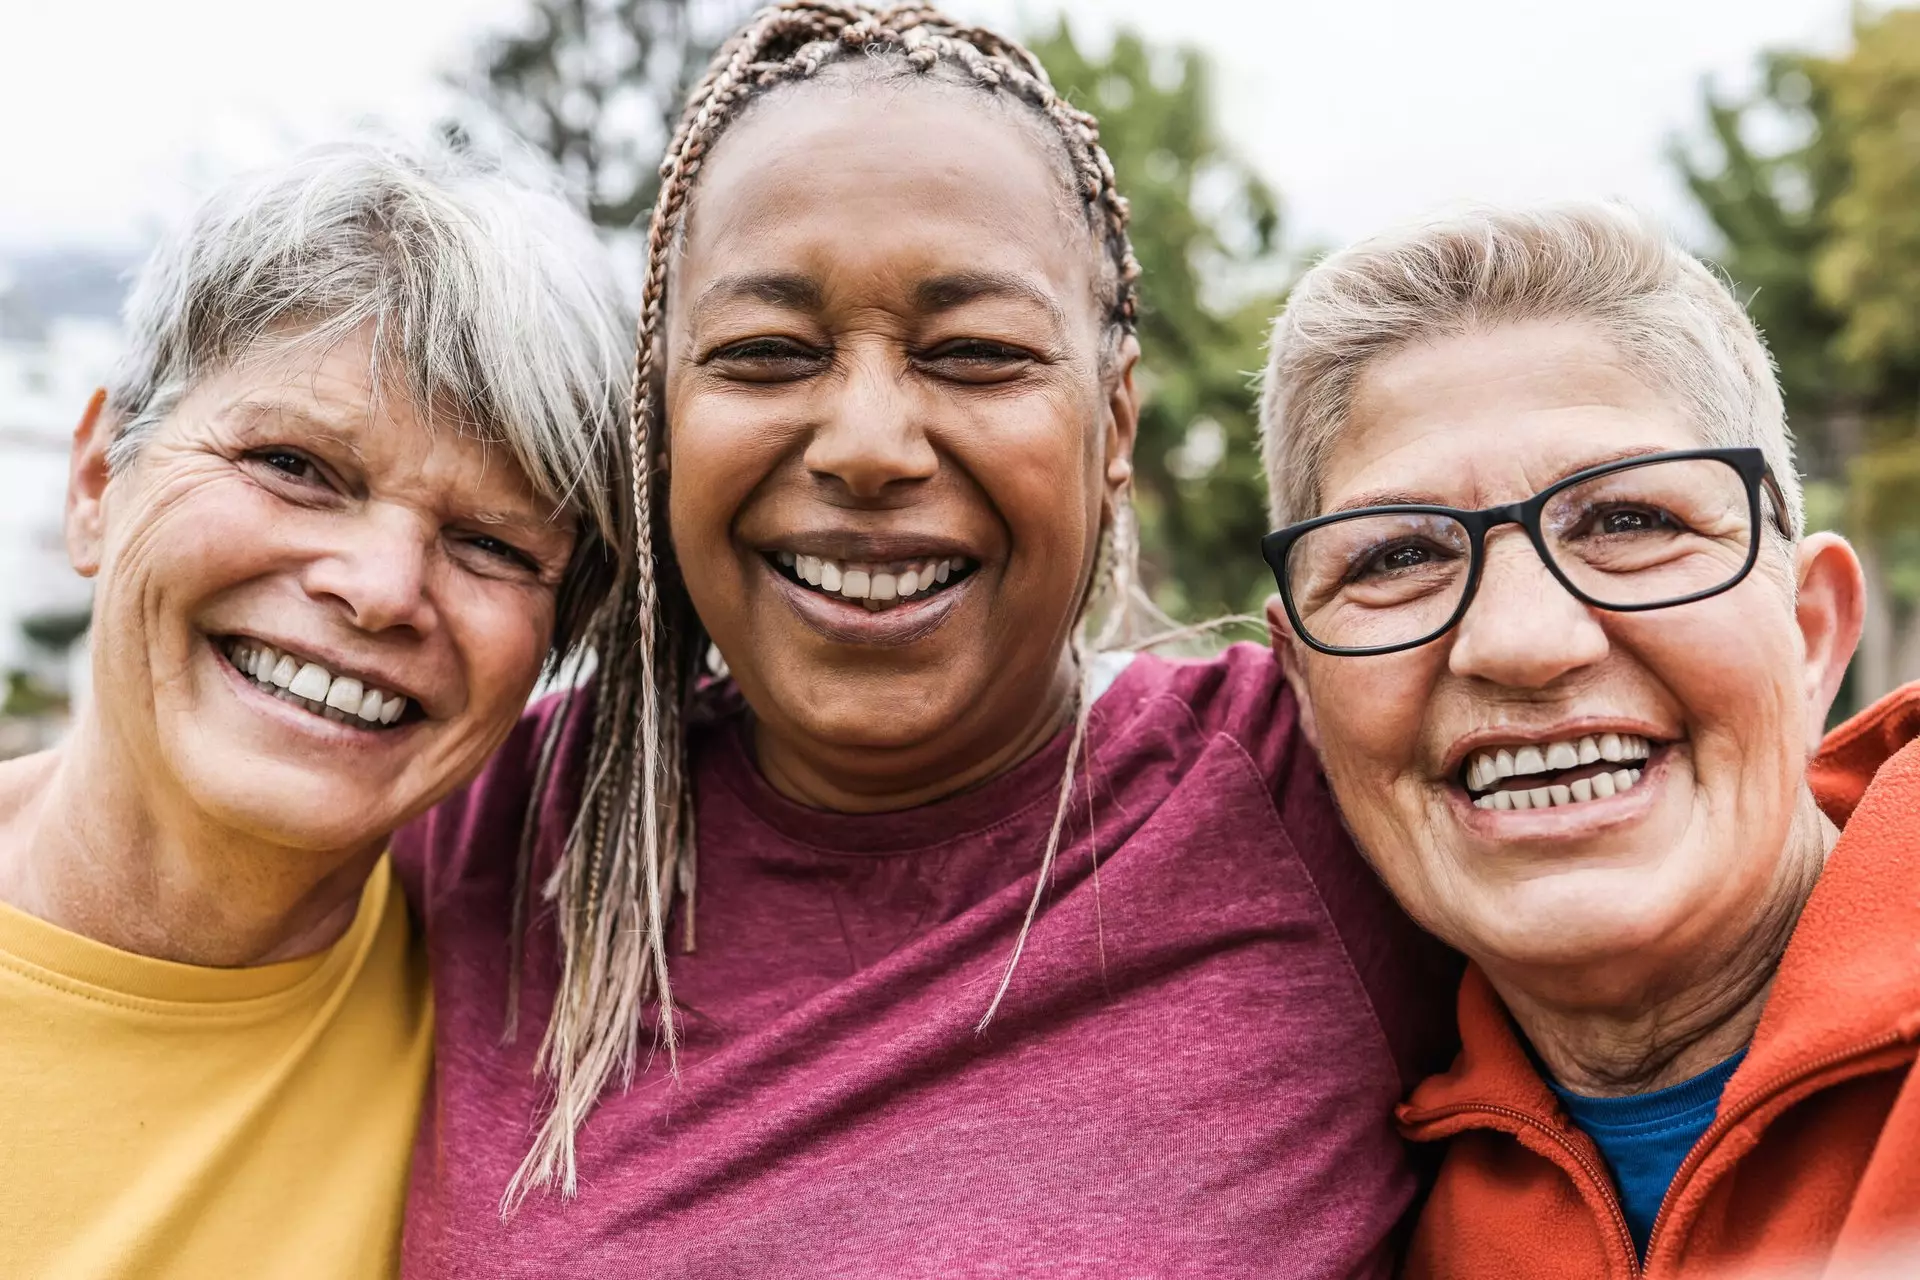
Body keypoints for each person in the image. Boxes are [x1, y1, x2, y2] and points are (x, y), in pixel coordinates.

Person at [394, 4, 1458, 1275]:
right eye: (766, 353)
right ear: (662, 412)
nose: (866, 444)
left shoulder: (1328, 793)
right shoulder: (481, 826)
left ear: (1114, 423)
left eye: (975, 353)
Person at [0, 141, 629, 1278]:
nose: (383, 588)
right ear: (95, 481)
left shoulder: (553, 992)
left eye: (491, 543)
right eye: (293, 463)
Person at [1257, 203, 1920, 1278]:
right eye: (1395, 557)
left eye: (1629, 521)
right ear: (1303, 694)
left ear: (1810, 633)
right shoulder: (1352, 1205)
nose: (1523, 642)